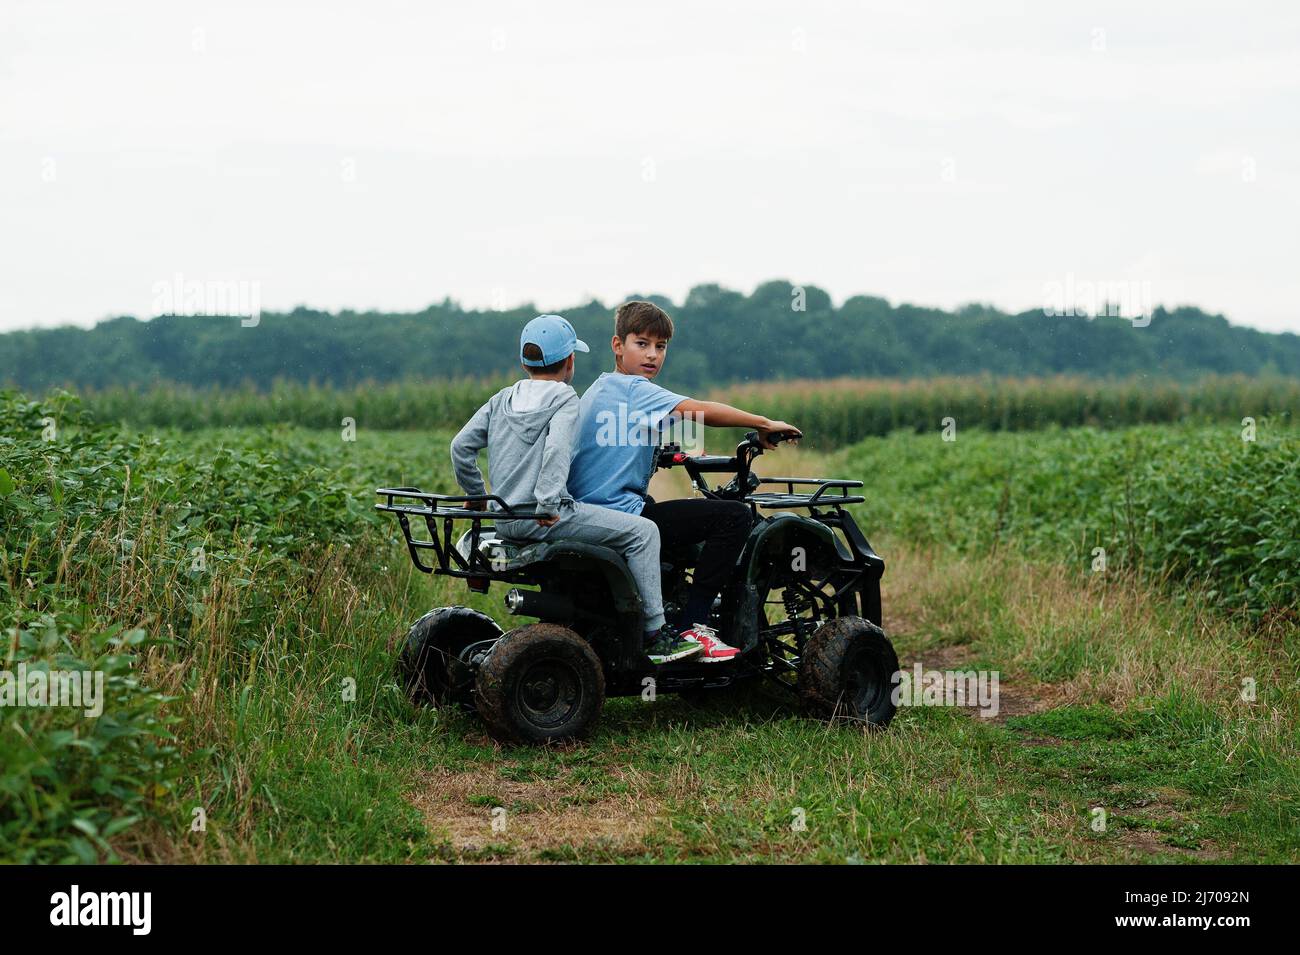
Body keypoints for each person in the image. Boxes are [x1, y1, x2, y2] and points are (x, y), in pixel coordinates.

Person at [449, 314, 698, 664]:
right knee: (644, 533)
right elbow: (557, 450)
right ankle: (657, 634)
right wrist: (549, 503)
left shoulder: (501, 398)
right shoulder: (565, 399)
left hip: (505, 518)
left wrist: (476, 497)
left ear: (524, 361)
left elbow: (460, 447)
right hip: (546, 516)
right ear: (570, 361)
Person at [568, 300, 802, 661]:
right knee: (733, 516)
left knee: (662, 513)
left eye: (660, 347)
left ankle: (668, 601)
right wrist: (763, 423)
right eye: (641, 343)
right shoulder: (636, 390)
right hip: (620, 515)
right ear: (618, 346)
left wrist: (661, 454)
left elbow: (616, 439)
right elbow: (701, 410)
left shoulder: (600, 389)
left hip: (591, 513)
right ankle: (694, 624)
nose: (652, 355)